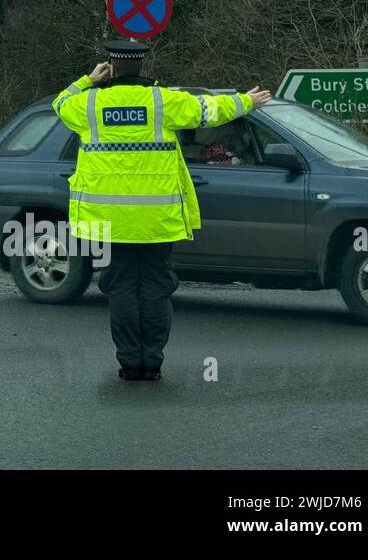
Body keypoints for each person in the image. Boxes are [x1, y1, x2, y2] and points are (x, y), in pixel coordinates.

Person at [52, 40, 271, 382]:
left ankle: (129, 364)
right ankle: (151, 363)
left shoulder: (90, 104)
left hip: (111, 221)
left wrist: (87, 80)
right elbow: (207, 109)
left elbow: (59, 104)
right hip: (157, 219)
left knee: (121, 288)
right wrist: (247, 101)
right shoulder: (162, 101)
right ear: (142, 65)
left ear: (111, 65)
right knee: (155, 288)